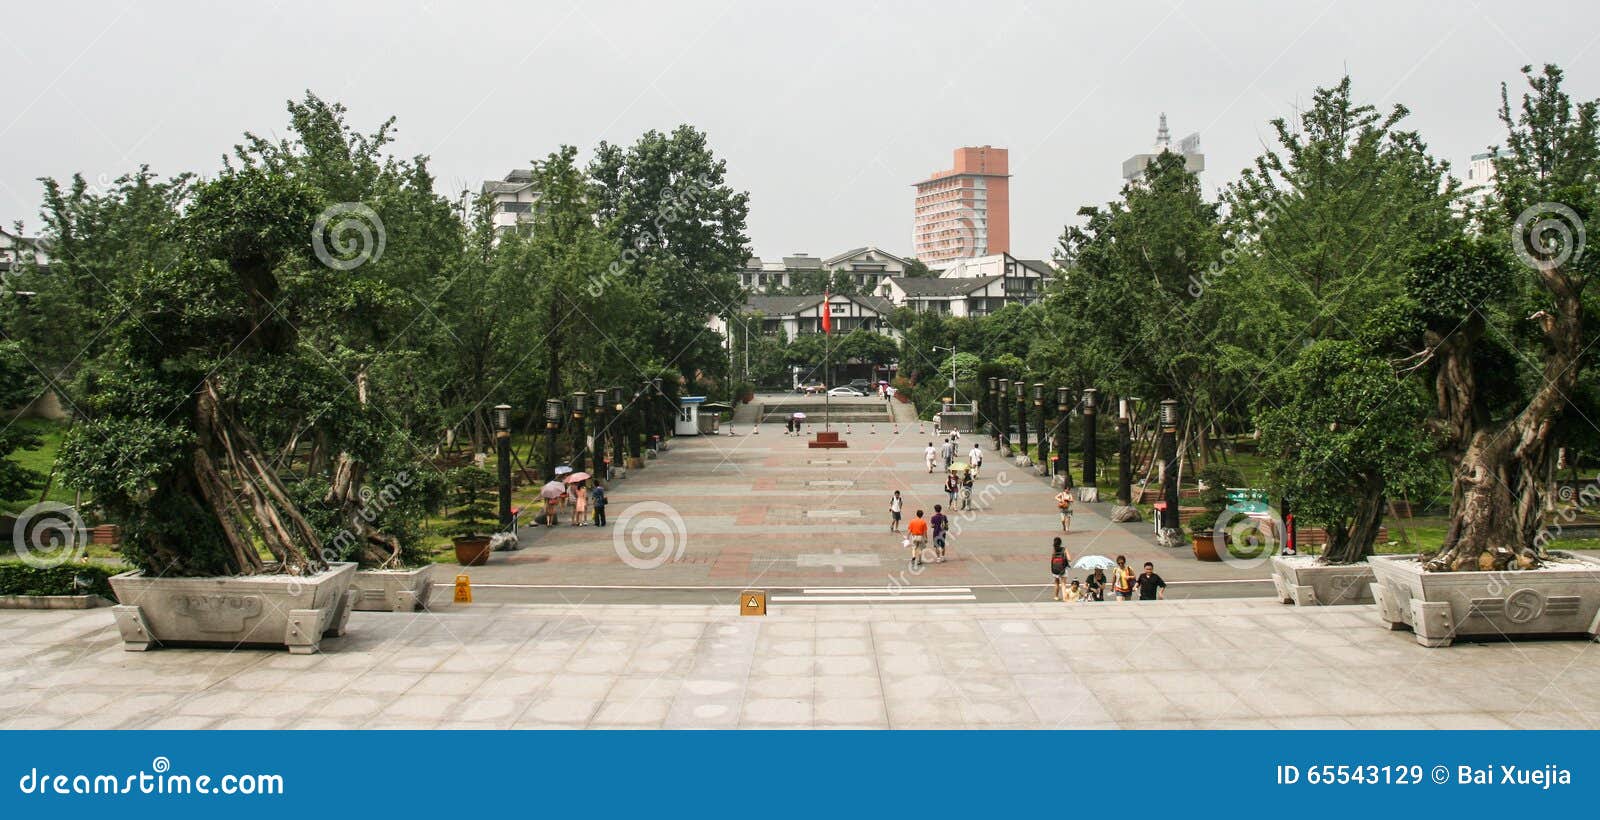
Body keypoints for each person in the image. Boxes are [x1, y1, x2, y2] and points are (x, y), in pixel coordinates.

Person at [1049, 537, 1072, 601]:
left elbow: (1052, 558)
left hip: (1055, 568)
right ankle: (1064, 597)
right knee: (1063, 583)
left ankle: (1056, 596)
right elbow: (1069, 559)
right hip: (1063, 569)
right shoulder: (1064, 549)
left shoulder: (1054, 550)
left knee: (1056, 582)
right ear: (1061, 543)